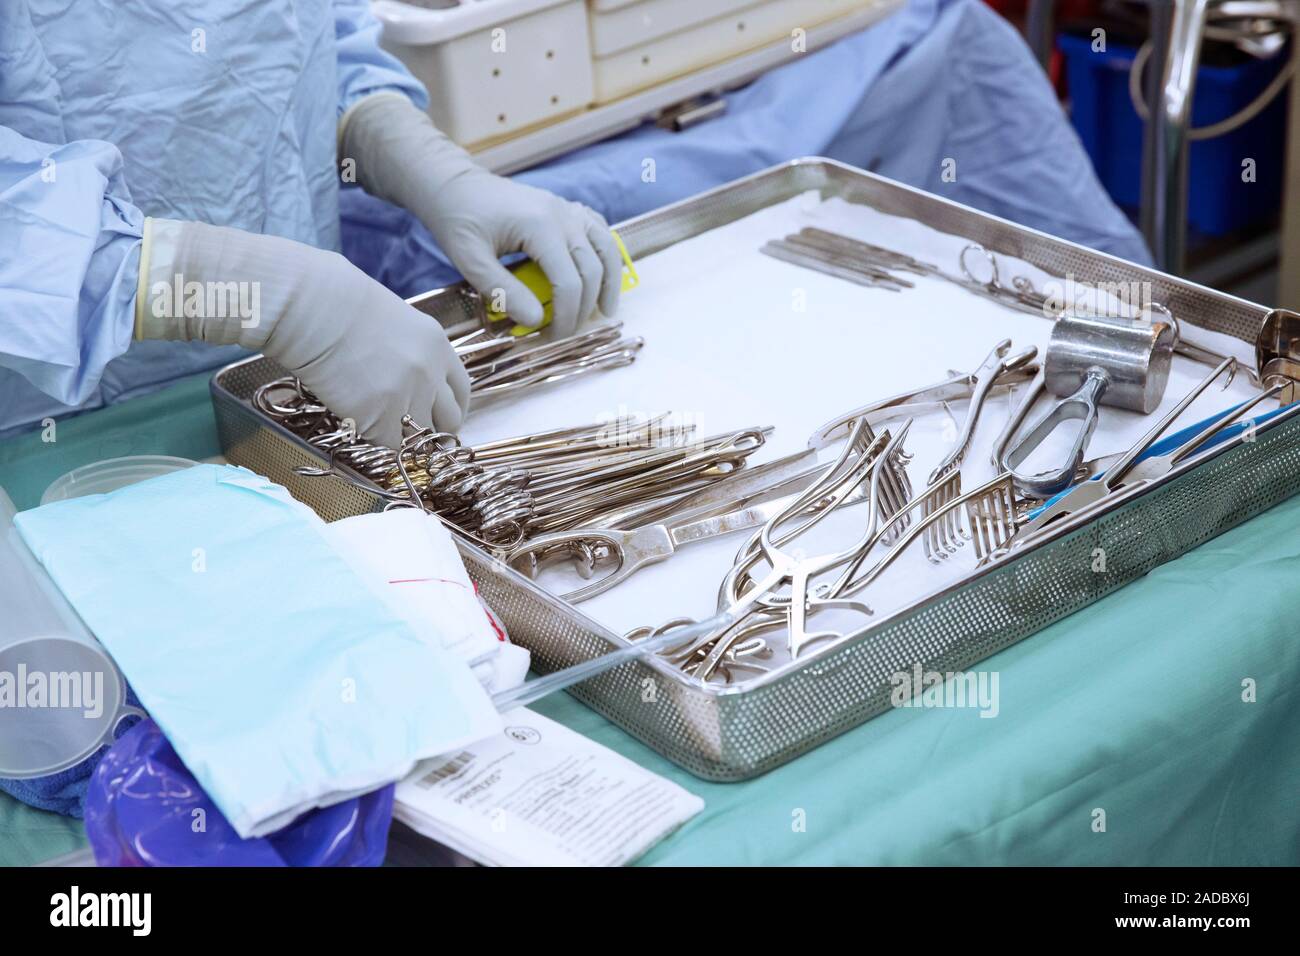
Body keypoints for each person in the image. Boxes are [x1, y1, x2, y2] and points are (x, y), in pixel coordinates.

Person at [0, 1, 622, 448]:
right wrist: (268, 296)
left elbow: (307, 41)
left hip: (305, 388)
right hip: (62, 427)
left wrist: (419, 160)